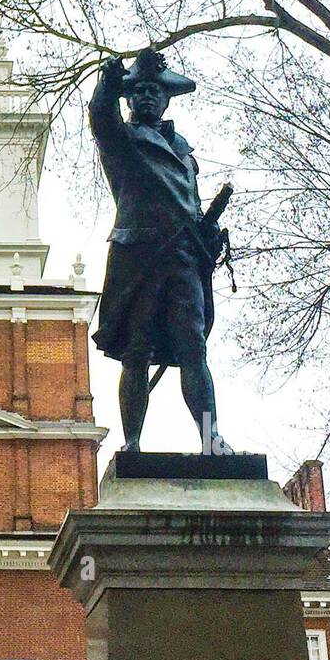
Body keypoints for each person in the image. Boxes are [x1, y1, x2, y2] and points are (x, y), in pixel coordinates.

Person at [89, 49, 230, 454]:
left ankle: (211, 439)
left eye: (155, 90)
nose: (147, 96)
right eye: (138, 91)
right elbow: (100, 116)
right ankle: (132, 443)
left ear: (167, 99)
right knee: (136, 352)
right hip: (140, 258)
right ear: (129, 99)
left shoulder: (184, 151)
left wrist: (207, 231)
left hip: (184, 257)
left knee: (194, 350)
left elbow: (190, 204)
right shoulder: (122, 140)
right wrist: (107, 84)